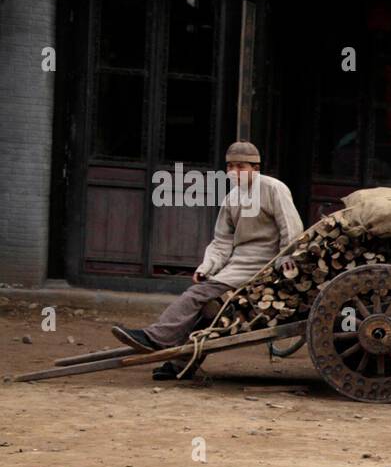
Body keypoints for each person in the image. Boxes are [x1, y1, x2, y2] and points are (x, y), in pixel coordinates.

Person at [113, 141, 303, 380]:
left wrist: (286, 256)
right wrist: (207, 267)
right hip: (236, 265)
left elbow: (291, 227)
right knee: (209, 310)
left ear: (255, 167)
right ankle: (180, 364)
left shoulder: (273, 188)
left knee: (195, 296)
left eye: (241, 166)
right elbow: (221, 241)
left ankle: (155, 337)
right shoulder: (231, 198)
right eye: (230, 166)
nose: (234, 172)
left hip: (263, 266)